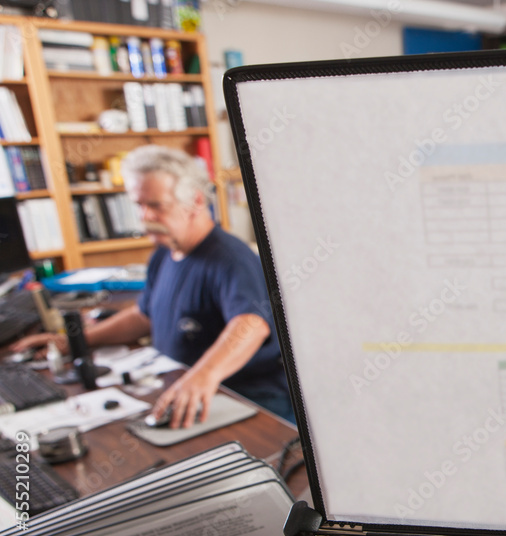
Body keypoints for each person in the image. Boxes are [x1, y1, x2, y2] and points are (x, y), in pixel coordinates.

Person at [13, 146, 295, 427]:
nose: (145, 216)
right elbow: (143, 316)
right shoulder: (164, 251)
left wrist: (202, 376)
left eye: (156, 205)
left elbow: (251, 324)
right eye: (139, 205)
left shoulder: (230, 259)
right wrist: (73, 341)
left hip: (243, 398)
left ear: (196, 201)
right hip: (178, 385)